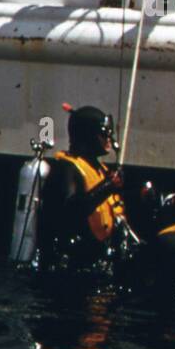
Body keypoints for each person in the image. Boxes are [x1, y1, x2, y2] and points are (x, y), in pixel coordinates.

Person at [36, 105, 137, 271]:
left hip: (96, 261)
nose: (109, 139)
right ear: (87, 136)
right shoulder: (66, 169)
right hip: (69, 267)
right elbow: (69, 211)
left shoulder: (100, 169)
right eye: (104, 134)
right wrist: (107, 187)